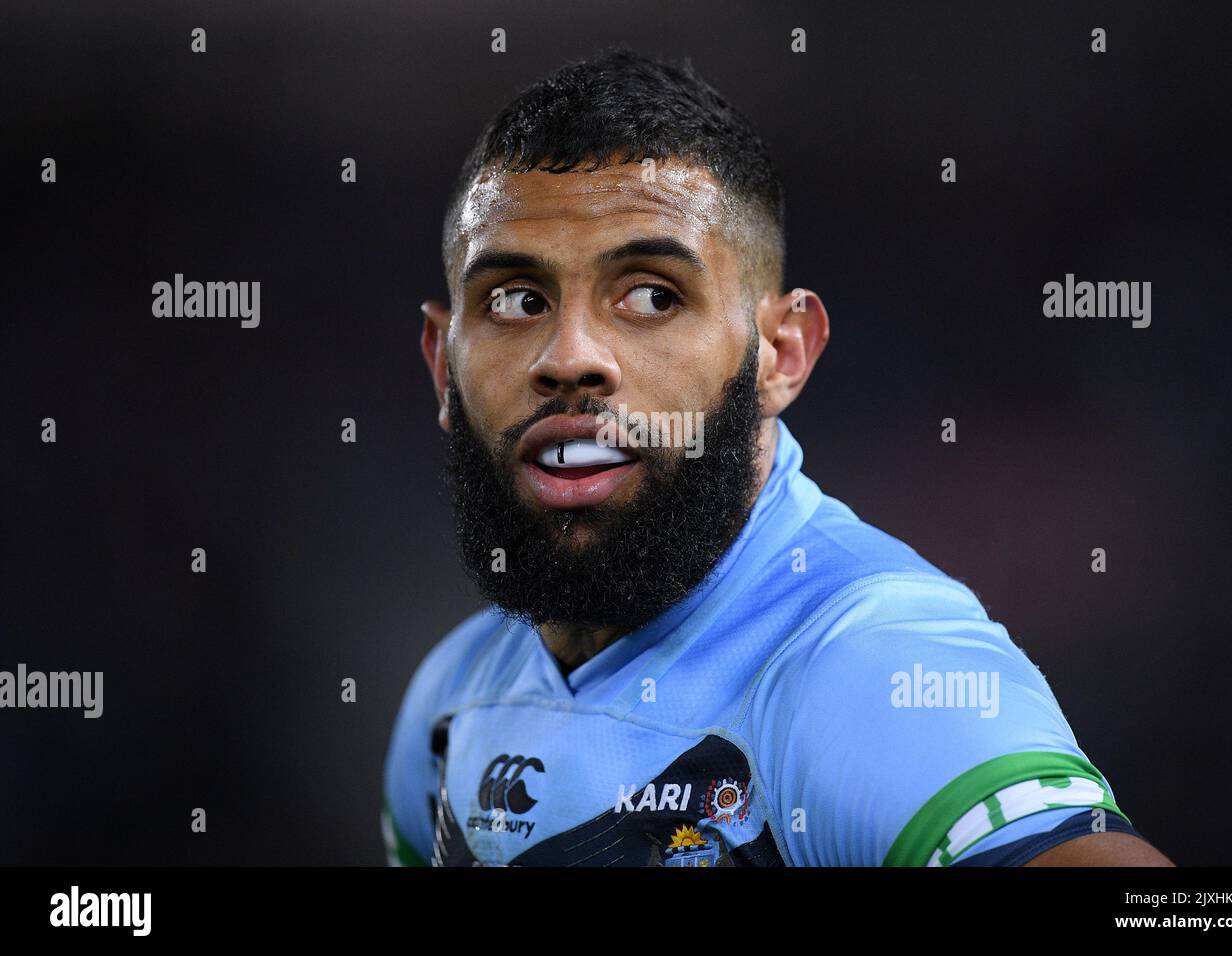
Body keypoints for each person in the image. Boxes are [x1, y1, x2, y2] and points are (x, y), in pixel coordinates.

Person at [382, 48, 1172, 867]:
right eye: (517, 300)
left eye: (652, 295)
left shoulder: (872, 666)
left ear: (782, 355)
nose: (571, 354)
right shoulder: (452, 701)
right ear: (444, 365)